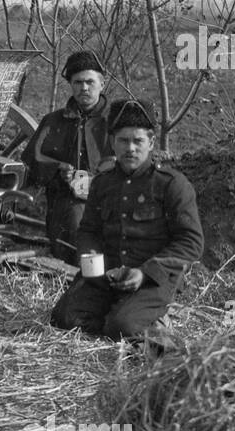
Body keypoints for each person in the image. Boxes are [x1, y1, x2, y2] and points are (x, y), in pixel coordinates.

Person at [50, 100, 204, 342]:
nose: (130, 148)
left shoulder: (172, 184)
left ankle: (152, 319)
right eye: (123, 141)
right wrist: (93, 262)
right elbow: (88, 230)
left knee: (121, 327)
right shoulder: (102, 184)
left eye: (138, 141)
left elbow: (191, 242)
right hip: (109, 276)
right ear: (112, 142)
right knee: (63, 318)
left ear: (151, 142)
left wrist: (144, 273)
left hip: (152, 279)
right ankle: (120, 313)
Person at [22, 50, 114, 264]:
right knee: (77, 225)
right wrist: (58, 170)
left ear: (102, 84)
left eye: (90, 82)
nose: (84, 88)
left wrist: (97, 181)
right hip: (68, 202)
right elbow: (31, 161)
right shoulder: (54, 121)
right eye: (78, 82)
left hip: (113, 198)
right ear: (71, 85)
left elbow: (133, 162)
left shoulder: (116, 121)